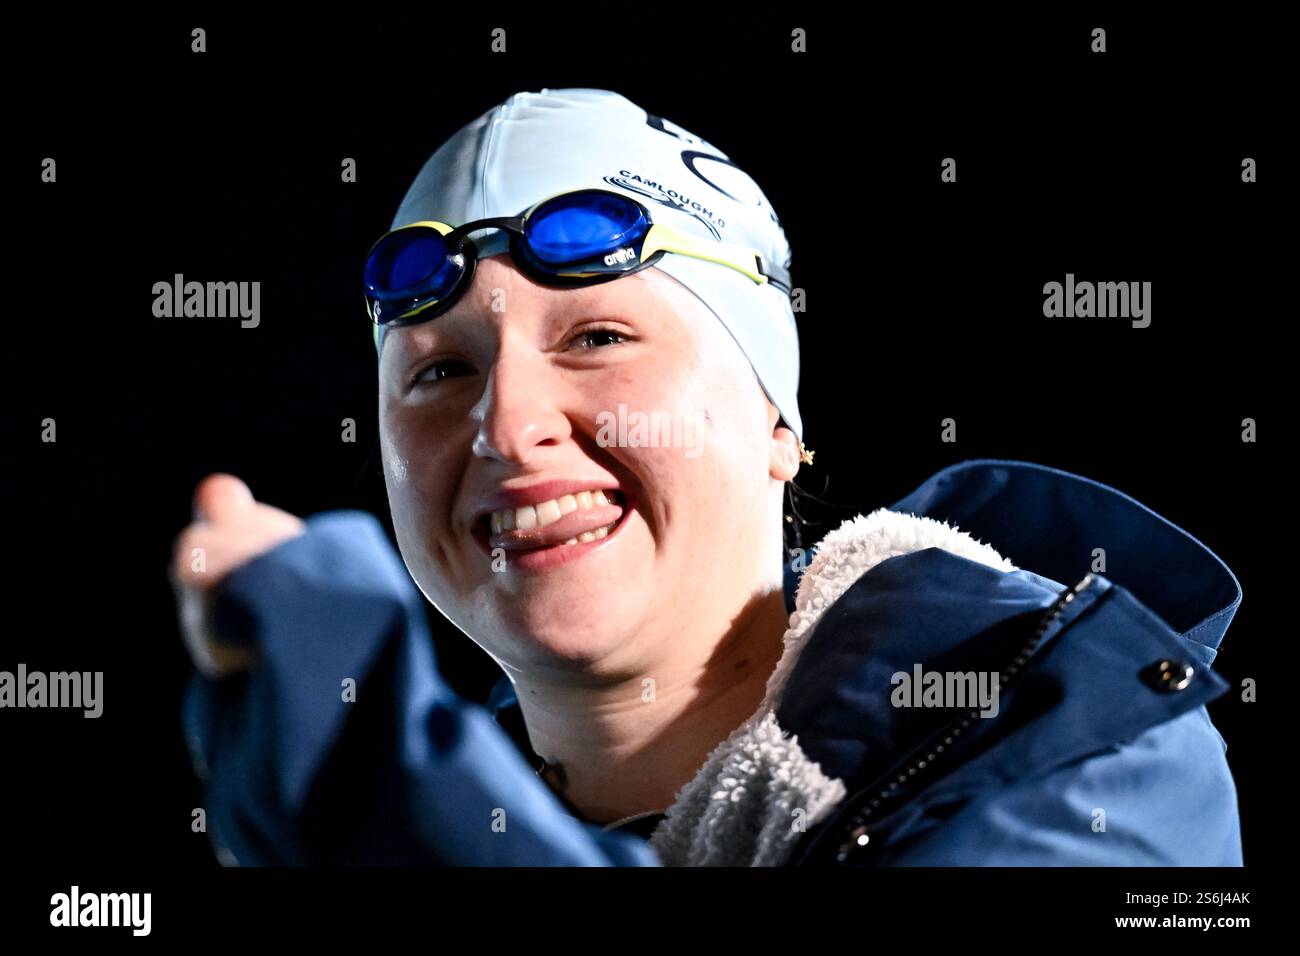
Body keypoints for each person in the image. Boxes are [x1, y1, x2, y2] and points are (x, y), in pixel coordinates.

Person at [171, 89, 1243, 866]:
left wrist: (388, 796)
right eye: (441, 370)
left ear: (775, 422)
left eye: (594, 336)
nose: (506, 423)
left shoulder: (1085, 751)